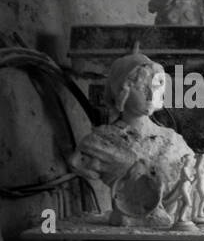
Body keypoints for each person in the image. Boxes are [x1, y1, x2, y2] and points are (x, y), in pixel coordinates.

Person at [68, 51, 197, 228]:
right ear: (122, 90)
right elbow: (79, 163)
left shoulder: (175, 142)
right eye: (143, 88)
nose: (151, 95)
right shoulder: (99, 143)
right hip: (125, 228)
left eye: (157, 87)